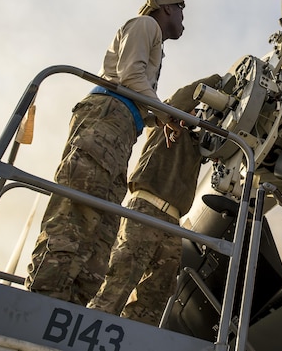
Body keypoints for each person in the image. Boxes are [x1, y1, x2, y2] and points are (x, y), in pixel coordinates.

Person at [25, 0, 187, 306]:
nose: (184, 22)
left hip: (124, 124)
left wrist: (156, 118)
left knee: (103, 220)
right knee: (79, 206)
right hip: (108, 115)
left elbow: (135, 88)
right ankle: (44, 296)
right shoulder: (146, 25)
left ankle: (72, 301)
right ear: (167, 8)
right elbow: (129, 76)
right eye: (181, 12)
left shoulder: (155, 41)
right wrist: (168, 113)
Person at [87, 74, 223, 325]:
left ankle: (132, 339)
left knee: (158, 292)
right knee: (121, 279)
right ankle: (90, 331)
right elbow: (186, 95)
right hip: (146, 209)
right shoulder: (165, 122)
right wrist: (219, 81)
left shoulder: (196, 145)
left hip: (172, 223)